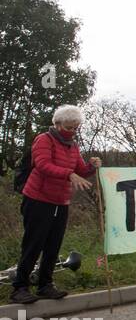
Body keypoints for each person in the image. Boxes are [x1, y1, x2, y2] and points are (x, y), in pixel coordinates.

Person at [11, 106, 101, 305]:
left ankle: (45, 285)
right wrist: (69, 174)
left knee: (53, 245)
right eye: (69, 127)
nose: (73, 131)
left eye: (76, 128)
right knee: (33, 244)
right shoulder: (44, 140)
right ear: (57, 124)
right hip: (37, 199)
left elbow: (80, 170)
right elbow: (43, 165)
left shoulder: (73, 145)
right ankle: (20, 287)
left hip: (61, 201)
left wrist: (91, 167)